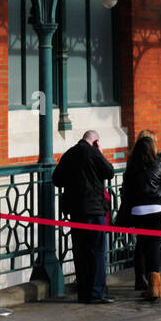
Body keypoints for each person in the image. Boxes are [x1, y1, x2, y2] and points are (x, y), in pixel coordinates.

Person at [51, 129, 115, 304]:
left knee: (80, 252)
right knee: (97, 252)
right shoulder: (94, 153)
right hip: (94, 210)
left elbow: (56, 179)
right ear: (95, 142)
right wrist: (101, 154)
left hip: (76, 210)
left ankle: (84, 292)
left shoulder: (70, 153)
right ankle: (97, 292)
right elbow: (109, 172)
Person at [117, 130, 161, 301]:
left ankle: (143, 281)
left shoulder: (131, 168)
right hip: (157, 210)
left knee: (142, 243)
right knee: (155, 246)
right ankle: (155, 287)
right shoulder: (159, 165)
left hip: (138, 211)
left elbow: (126, 192)